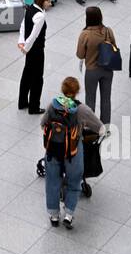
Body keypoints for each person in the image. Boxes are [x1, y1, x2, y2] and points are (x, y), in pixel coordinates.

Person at [39, 77, 104, 228]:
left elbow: (43, 124)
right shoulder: (81, 109)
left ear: (62, 90)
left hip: (53, 150)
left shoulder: (53, 105)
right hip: (72, 152)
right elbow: (101, 128)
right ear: (77, 92)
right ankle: (68, 214)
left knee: (52, 182)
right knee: (74, 181)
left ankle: (54, 216)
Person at [75, 6, 117, 124]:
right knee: (106, 99)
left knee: (90, 99)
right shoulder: (108, 31)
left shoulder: (85, 34)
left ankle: (91, 126)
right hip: (108, 69)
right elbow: (114, 47)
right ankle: (106, 126)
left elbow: (80, 55)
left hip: (92, 71)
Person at [16, 0, 52, 114]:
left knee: (26, 75)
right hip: (36, 51)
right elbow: (34, 35)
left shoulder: (30, 8)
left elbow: (23, 26)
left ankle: (22, 102)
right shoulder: (40, 16)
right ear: (42, 1)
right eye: (48, 1)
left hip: (29, 49)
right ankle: (34, 106)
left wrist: (21, 42)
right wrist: (25, 48)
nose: (50, 3)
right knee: (37, 79)